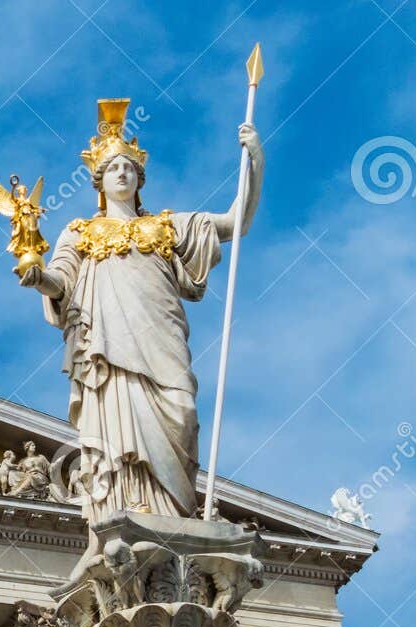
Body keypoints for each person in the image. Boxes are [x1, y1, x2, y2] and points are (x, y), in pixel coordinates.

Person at [18, 100, 262, 524]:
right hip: (109, 351)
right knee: (118, 429)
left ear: (140, 178)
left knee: (181, 410)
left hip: (161, 341)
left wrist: (255, 160)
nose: (122, 173)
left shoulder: (167, 227)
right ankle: (128, 509)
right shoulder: (80, 233)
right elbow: (61, 282)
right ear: (99, 180)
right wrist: (37, 277)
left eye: (129, 168)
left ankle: (174, 514)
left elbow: (236, 222)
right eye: (113, 168)